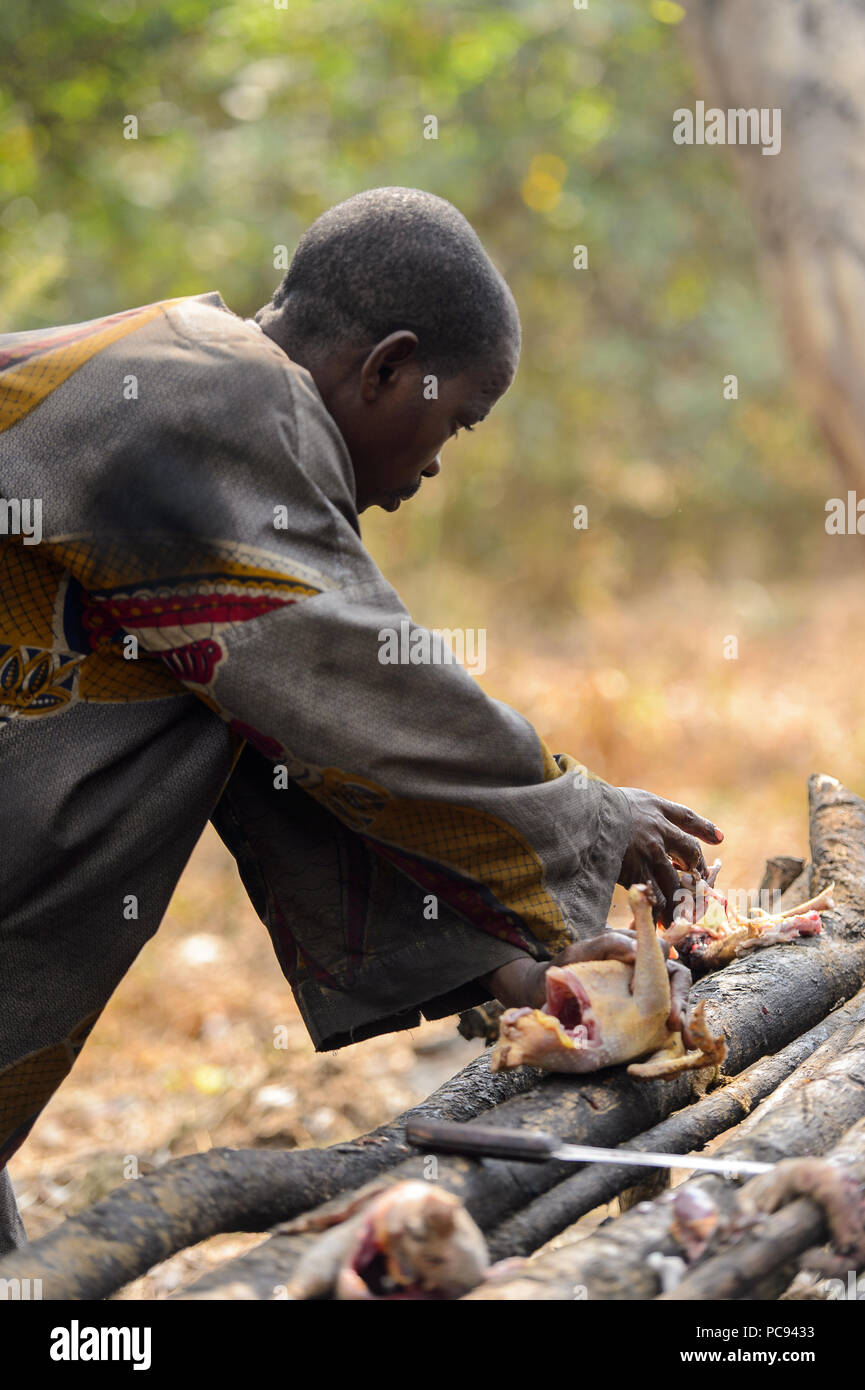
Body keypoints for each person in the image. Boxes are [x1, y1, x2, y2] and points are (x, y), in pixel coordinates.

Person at [0, 187, 721, 1253]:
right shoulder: (220, 393)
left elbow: (284, 737)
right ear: (389, 368)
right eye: (455, 421)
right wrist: (584, 814)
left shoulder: (191, 404)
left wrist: (511, 965)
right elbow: (356, 691)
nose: (434, 464)